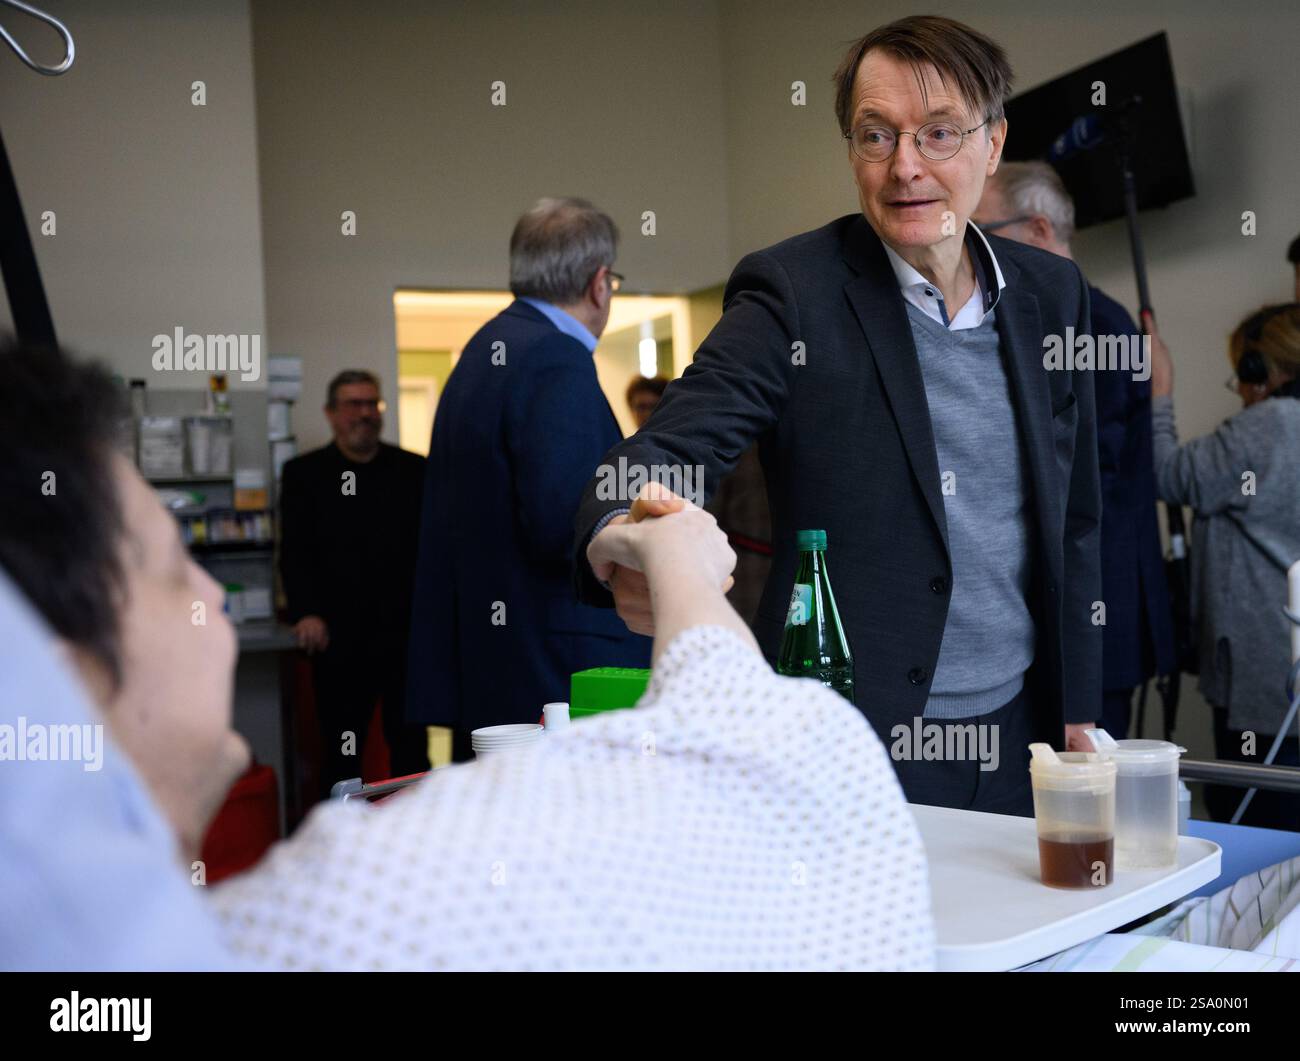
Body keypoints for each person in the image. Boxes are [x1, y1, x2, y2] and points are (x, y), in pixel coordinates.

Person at [1, 340, 934, 971]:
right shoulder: (338, 911)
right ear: (55, 669)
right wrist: (680, 561)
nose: (210, 594)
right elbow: (774, 757)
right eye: (171, 568)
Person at [574, 15, 1103, 816]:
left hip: (1022, 729)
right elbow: (669, 445)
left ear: (992, 144)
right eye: (875, 135)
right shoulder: (795, 293)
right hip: (852, 739)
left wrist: (1078, 698)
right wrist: (626, 525)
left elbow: (1075, 515)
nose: (905, 169)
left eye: (938, 134)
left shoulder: (1053, 294)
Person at [406, 197, 651, 760]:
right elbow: (562, 522)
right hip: (554, 663)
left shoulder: (485, 351)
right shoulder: (554, 359)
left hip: (498, 657)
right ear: (598, 284)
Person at [974, 161, 1176, 739]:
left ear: (1039, 229)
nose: (974, 250)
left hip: (1095, 612)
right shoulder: (1053, 319)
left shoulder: (1094, 326)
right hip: (1072, 607)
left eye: (984, 231)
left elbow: (1087, 481)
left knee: (1084, 799)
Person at [1148, 305, 1300, 830]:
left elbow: (1165, 474)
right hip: (1283, 673)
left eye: (1243, 372)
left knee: (1255, 832)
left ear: (1263, 370)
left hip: (1263, 680)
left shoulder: (1267, 427)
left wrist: (1159, 391)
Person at [279, 370, 428, 797]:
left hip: (404, 637)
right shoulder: (304, 475)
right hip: (338, 639)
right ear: (330, 413)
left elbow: (431, 553)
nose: (364, 414)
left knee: (411, 749)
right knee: (342, 752)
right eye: (353, 405)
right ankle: (340, 848)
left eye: (372, 404)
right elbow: (295, 551)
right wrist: (305, 610)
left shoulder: (413, 471)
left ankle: (417, 839)